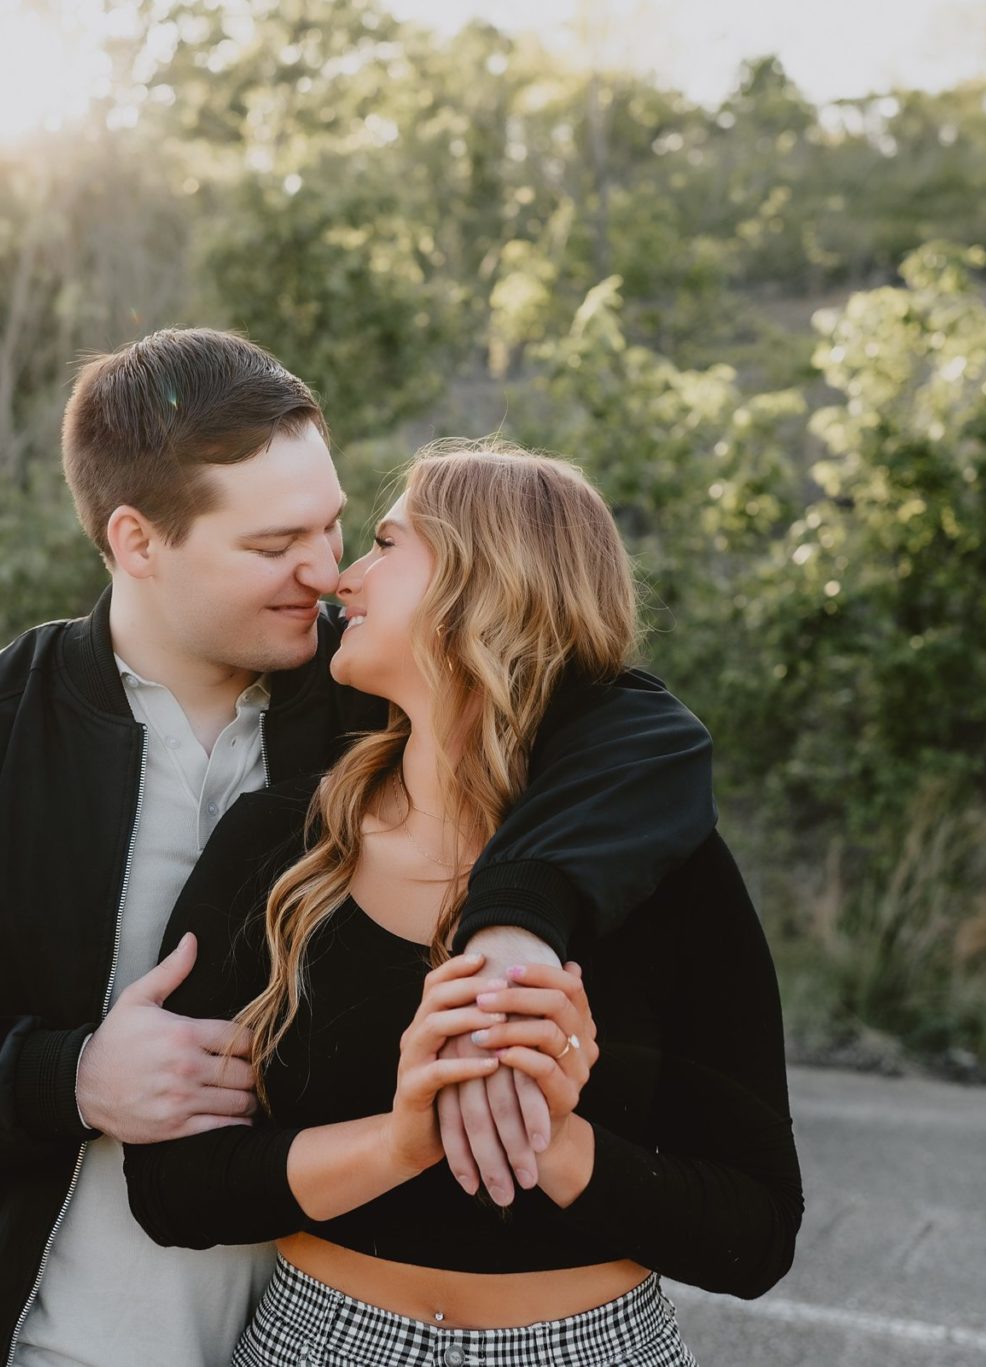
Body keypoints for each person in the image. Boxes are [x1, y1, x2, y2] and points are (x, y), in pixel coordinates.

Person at [0, 330, 720, 1367]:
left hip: (327, 1329)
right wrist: (72, 1078)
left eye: (329, 525)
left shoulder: (381, 701)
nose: (323, 571)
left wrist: (514, 924)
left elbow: (644, 730)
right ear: (138, 540)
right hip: (60, 1335)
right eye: (274, 546)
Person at [124, 443, 803, 1366]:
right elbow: (172, 1190)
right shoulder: (278, 843)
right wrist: (403, 1140)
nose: (344, 579)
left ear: (487, 580)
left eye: (384, 542)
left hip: (592, 1347)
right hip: (320, 1340)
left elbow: (757, 1230)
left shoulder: (664, 869)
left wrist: (555, 1145)